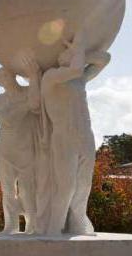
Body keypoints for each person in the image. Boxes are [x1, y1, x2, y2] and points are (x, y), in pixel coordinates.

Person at [40, 29, 110, 235]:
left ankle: (78, 224)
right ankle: (55, 227)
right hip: (64, 135)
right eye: (62, 52)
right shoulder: (50, 77)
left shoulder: (79, 79)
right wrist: (77, 50)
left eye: (67, 51)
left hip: (85, 134)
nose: (65, 53)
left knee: (84, 184)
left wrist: (80, 52)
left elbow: (105, 59)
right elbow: (76, 69)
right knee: (66, 185)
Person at [0, 55, 42, 233]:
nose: (5, 79)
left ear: (13, 76)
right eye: (1, 77)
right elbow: (9, 119)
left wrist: (34, 76)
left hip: (26, 146)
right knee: (8, 189)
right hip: (6, 147)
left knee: (28, 188)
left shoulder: (29, 91)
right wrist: (26, 105)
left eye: (6, 75)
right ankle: (11, 224)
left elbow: (36, 105)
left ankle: (32, 223)